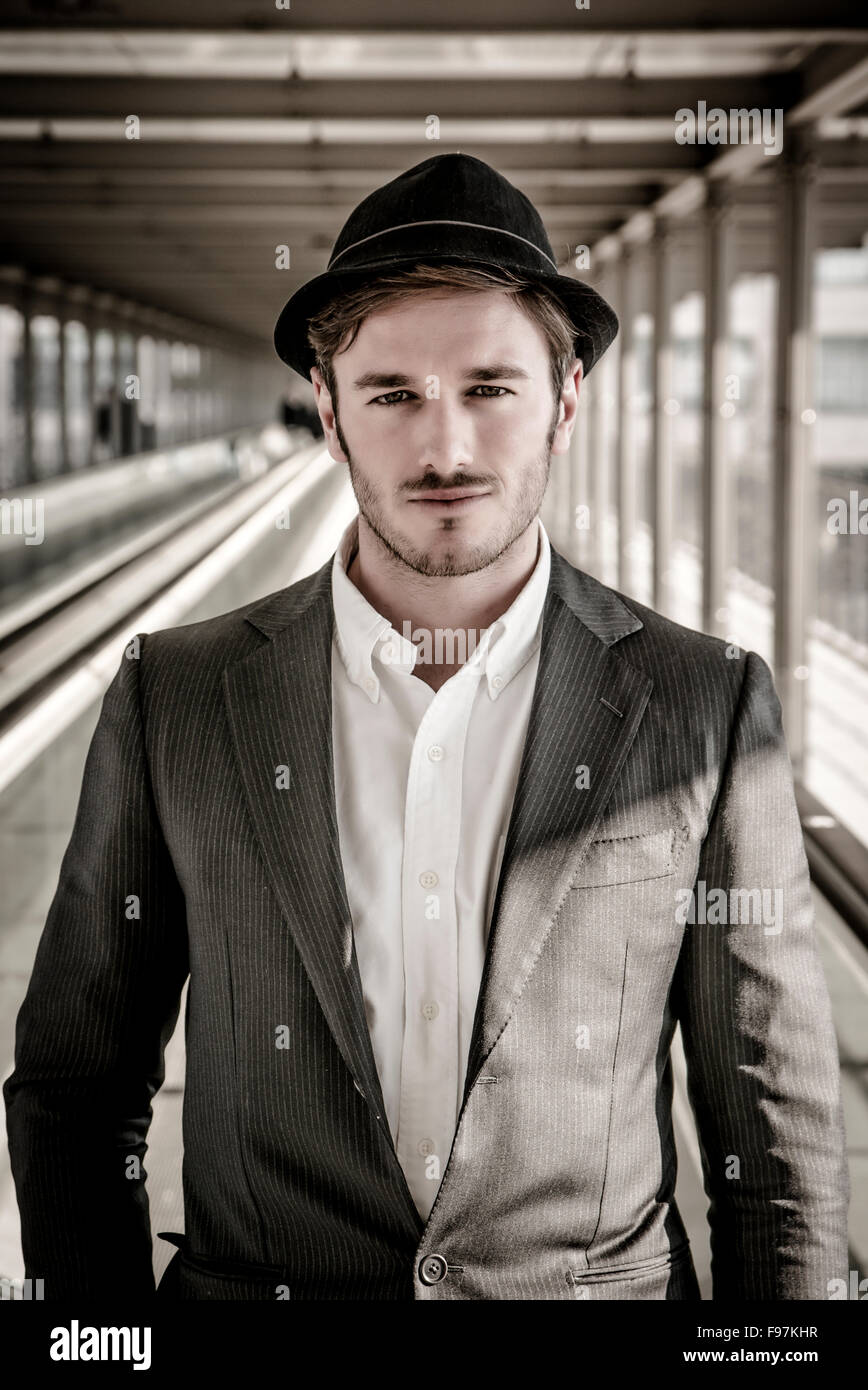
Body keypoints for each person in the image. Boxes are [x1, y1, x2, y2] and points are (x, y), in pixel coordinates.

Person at [4, 153, 849, 1301]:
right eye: (394, 393)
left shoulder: (704, 701)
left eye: (489, 388)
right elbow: (75, 1081)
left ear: (564, 401)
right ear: (330, 410)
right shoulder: (178, 695)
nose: (444, 449)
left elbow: (774, 1130)